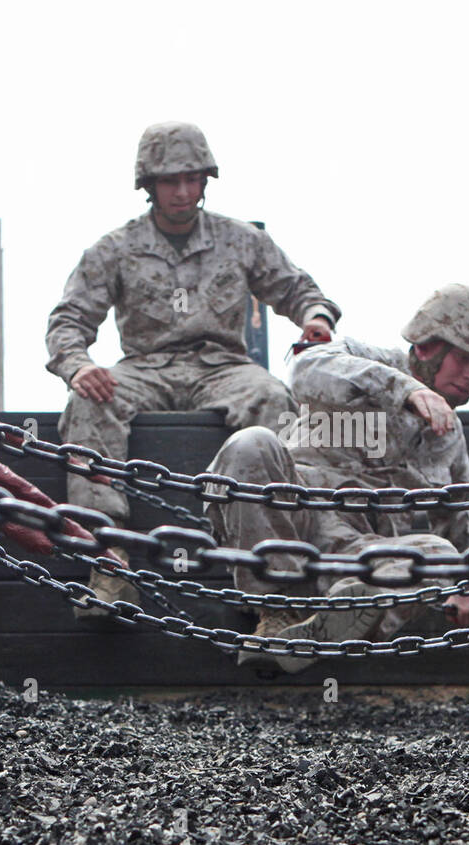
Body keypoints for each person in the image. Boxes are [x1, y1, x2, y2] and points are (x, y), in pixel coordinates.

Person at [44, 121, 340, 612]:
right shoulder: (114, 249)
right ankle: (109, 563)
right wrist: (77, 366)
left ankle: (271, 574)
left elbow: (298, 289)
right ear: (148, 185)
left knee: (271, 398)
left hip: (223, 366)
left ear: (206, 181)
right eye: (169, 181)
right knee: (89, 402)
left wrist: (316, 319)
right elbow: (67, 320)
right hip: (146, 367)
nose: (182, 191)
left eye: (192, 179)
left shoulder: (239, 240)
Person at [205, 283, 469, 672]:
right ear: (428, 346)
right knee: (251, 444)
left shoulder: (447, 436)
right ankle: (277, 615)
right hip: (291, 527)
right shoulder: (362, 358)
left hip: (356, 558)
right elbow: (305, 369)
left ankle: (333, 620)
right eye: (466, 361)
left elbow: (457, 522)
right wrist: (405, 391)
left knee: (442, 559)